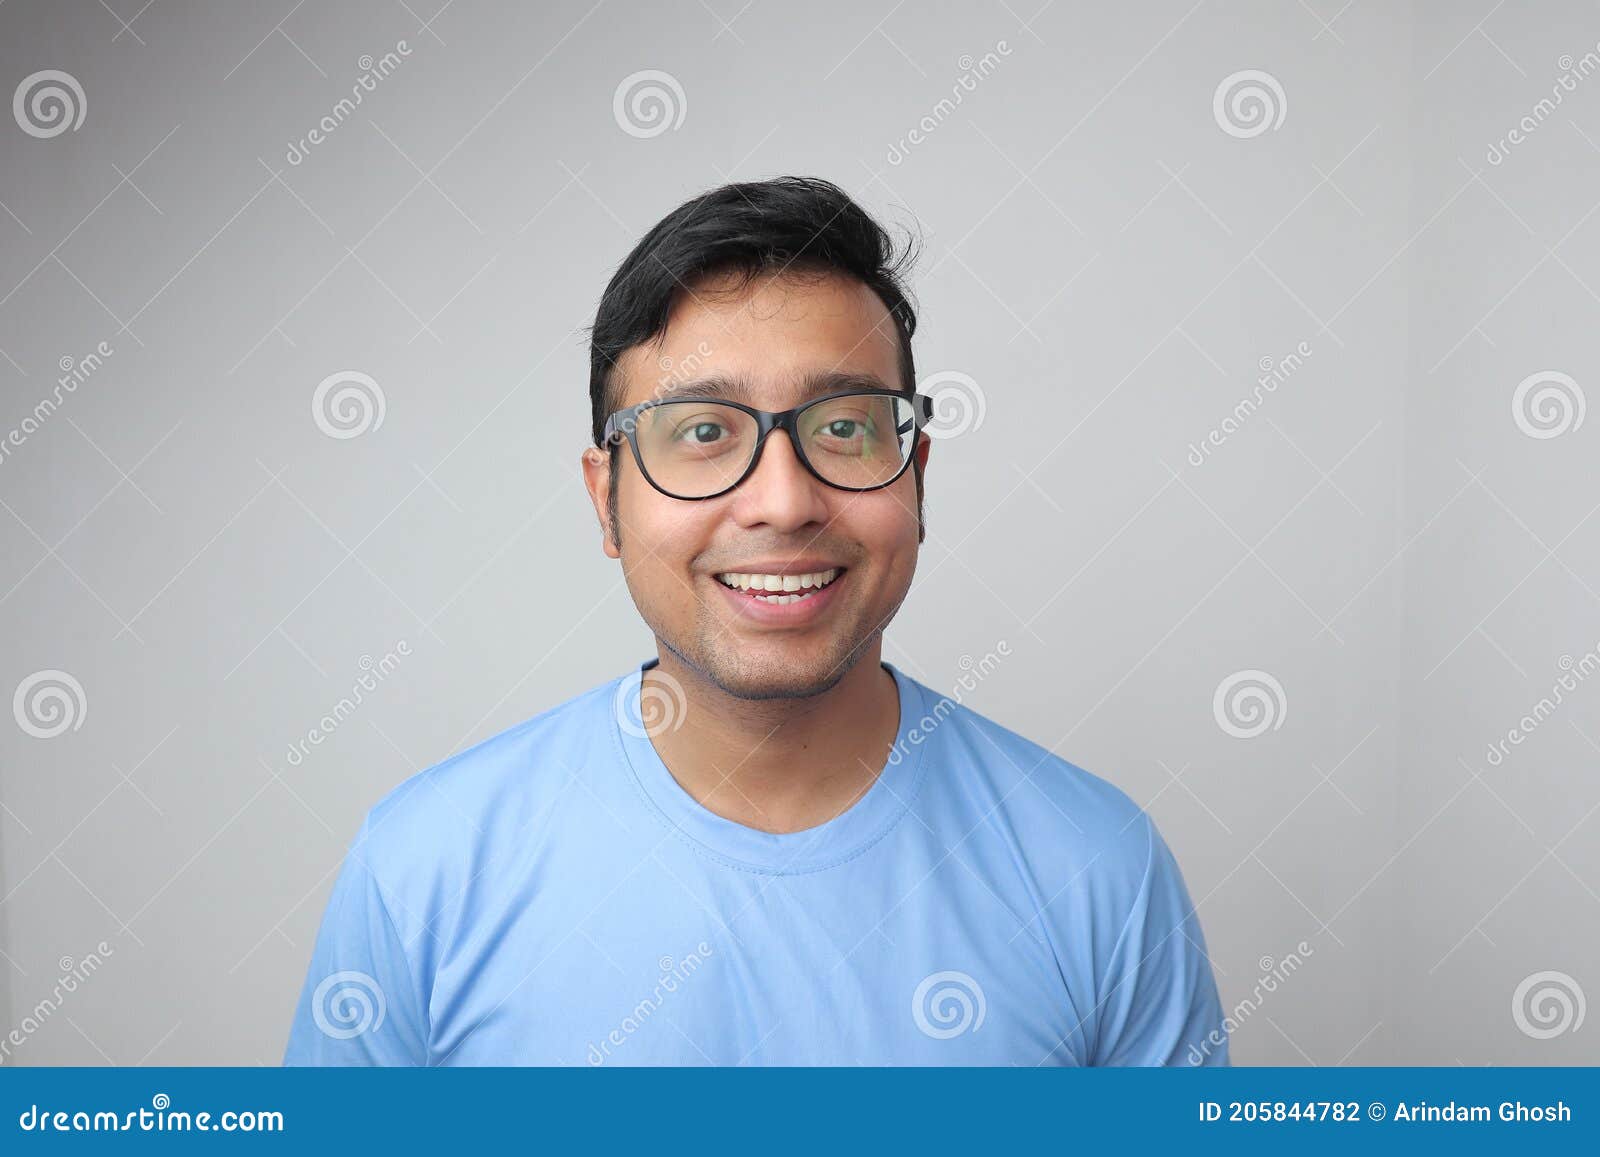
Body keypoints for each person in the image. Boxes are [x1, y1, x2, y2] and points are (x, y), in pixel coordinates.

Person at [283, 176, 1227, 1066]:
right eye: (703, 431)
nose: (782, 501)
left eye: (846, 427)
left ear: (919, 477)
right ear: (605, 499)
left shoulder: (1098, 870)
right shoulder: (422, 873)